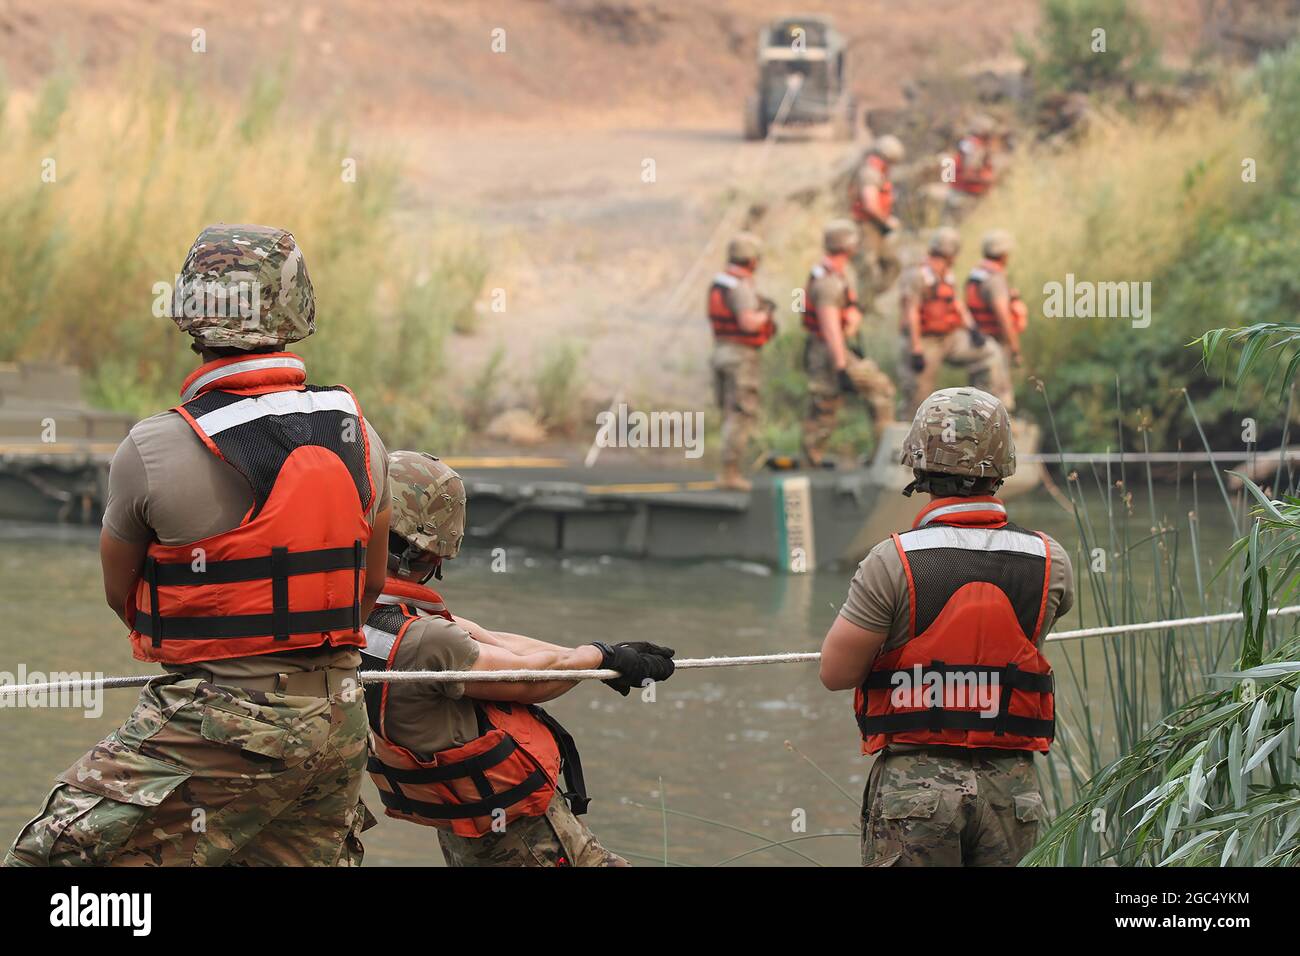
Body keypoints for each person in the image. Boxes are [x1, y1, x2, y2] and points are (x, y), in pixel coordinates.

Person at [5, 224, 391, 867]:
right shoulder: (363, 436)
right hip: (337, 724)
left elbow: (119, 593)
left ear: (190, 312)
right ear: (297, 309)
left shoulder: (154, 448)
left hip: (215, 724)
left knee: (52, 862)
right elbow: (367, 587)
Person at [361, 451, 676, 866]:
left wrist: (595, 656)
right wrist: (599, 657)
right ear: (433, 556)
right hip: (520, 831)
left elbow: (496, 643)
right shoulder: (426, 638)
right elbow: (528, 681)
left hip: (465, 820)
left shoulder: (361, 614)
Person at [818, 387, 1073, 866]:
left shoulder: (891, 560)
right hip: (1014, 792)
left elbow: (835, 673)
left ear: (917, 465)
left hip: (915, 793)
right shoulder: (1050, 559)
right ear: (1003, 465)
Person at [800, 219, 895, 468]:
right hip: (831, 351)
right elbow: (830, 326)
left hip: (830, 349)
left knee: (825, 404)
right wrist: (842, 366)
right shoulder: (829, 283)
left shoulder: (830, 273)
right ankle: (882, 459)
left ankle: (813, 459)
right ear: (848, 245)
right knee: (879, 391)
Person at [897, 227, 1012, 418]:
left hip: (950, 336)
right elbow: (911, 312)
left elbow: (956, 303)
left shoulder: (946, 275)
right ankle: (910, 437)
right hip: (925, 341)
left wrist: (973, 330)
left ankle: (983, 413)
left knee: (990, 353)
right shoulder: (918, 275)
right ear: (952, 253)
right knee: (917, 398)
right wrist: (916, 348)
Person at [707, 232, 777, 491]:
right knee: (741, 413)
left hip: (721, 351)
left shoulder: (721, 282)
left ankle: (728, 469)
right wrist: (765, 313)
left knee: (729, 412)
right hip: (739, 356)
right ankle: (730, 473)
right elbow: (748, 322)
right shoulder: (740, 288)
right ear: (751, 260)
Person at [965, 229, 1029, 389]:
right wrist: (1015, 348)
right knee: (997, 395)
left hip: (979, 340)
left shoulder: (978, 272)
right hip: (994, 343)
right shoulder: (995, 279)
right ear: (1003, 254)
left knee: (977, 395)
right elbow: (1003, 316)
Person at [848, 135, 905, 300]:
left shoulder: (878, 171)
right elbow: (870, 205)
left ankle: (870, 299)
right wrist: (887, 221)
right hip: (867, 226)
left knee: (892, 264)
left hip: (876, 226)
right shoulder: (870, 173)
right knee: (867, 267)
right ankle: (863, 306)